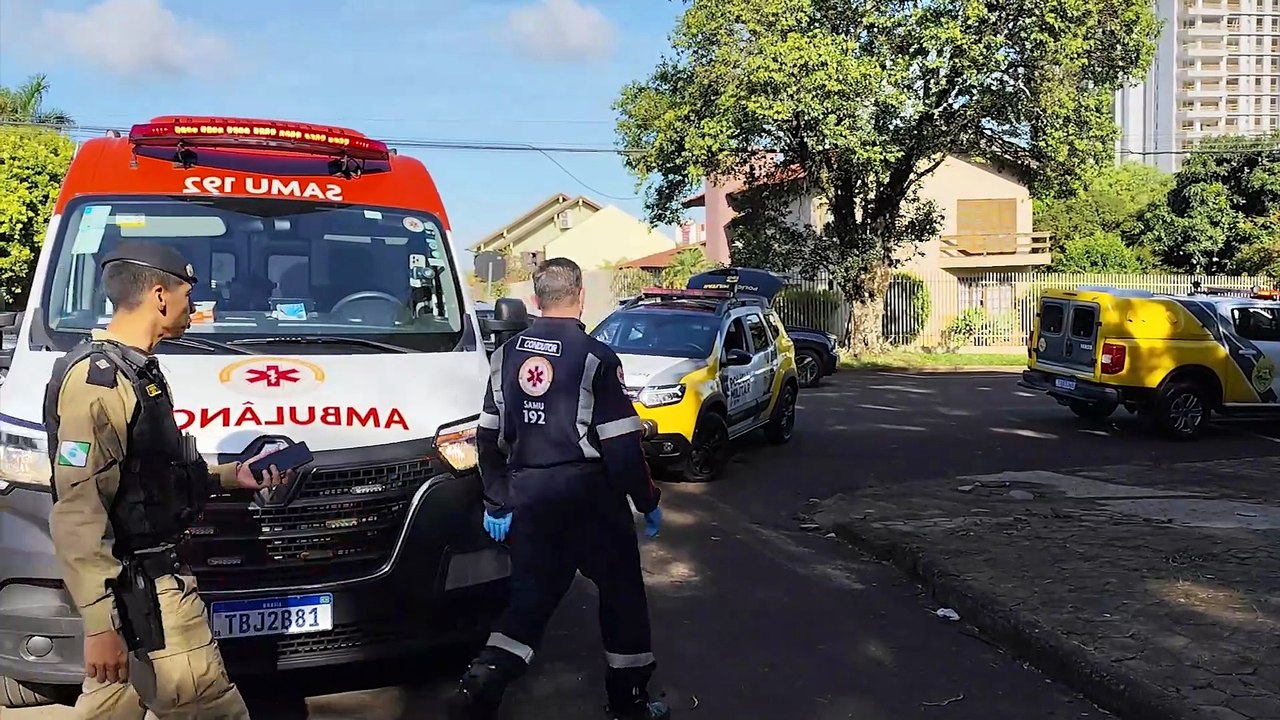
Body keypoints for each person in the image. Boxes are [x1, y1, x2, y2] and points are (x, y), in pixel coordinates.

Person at [44, 242, 293, 720]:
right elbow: (79, 509)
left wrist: (228, 476)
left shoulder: (137, 371)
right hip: (149, 597)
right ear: (160, 295)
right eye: (188, 295)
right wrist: (100, 625)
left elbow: (150, 475)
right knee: (214, 709)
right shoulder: (100, 383)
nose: (193, 308)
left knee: (110, 708)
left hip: (138, 592)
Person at [450, 258, 671, 720]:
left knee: (529, 601)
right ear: (581, 297)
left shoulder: (506, 355)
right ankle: (629, 703)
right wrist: (647, 500)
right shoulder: (596, 357)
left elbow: (486, 437)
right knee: (622, 596)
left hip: (530, 498)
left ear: (535, 299)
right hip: (590, 500)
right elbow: (623, 448)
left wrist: (497, 497)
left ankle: (480, 685)